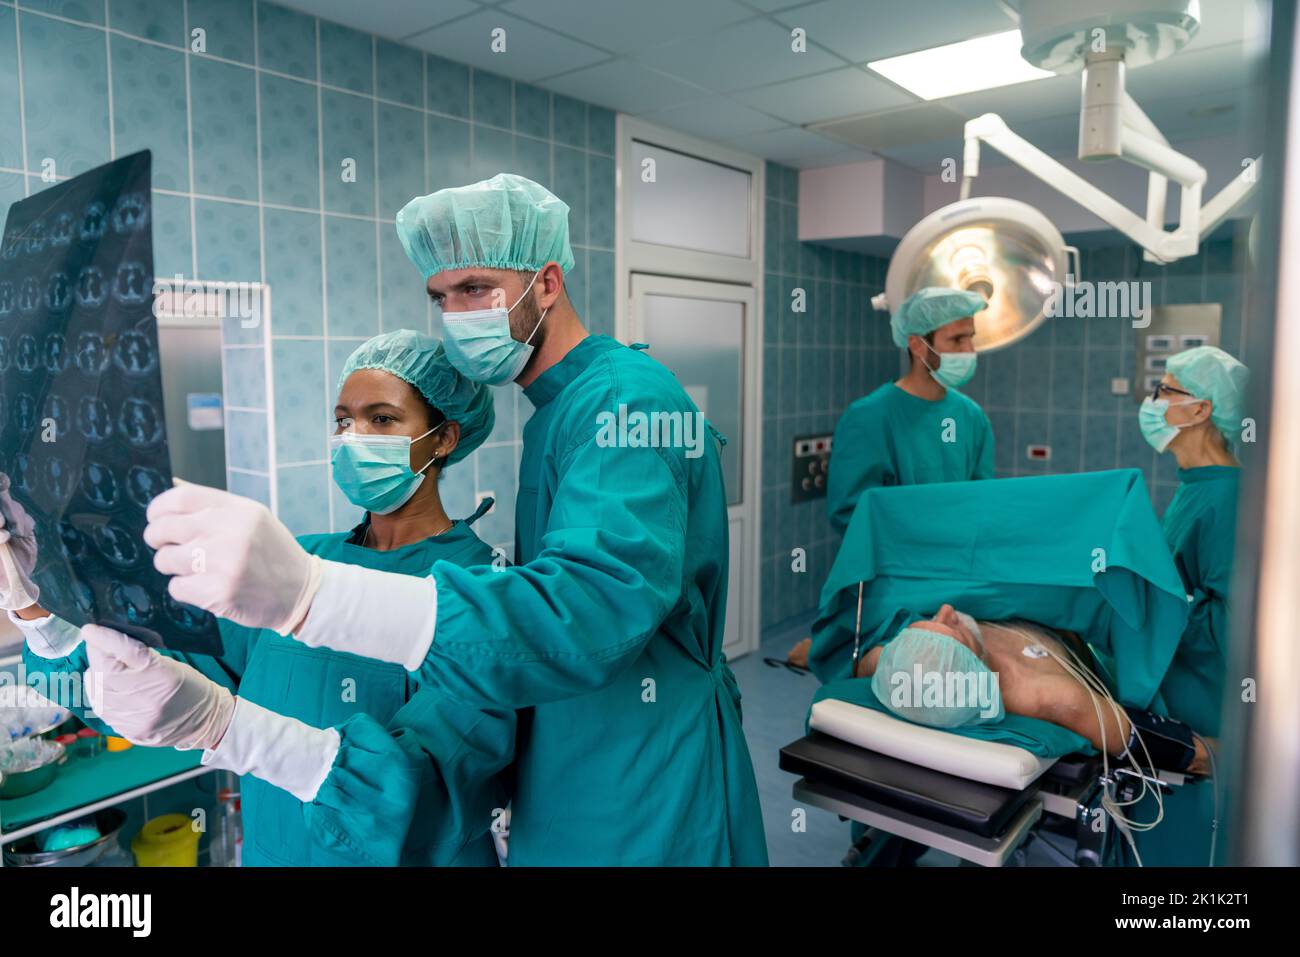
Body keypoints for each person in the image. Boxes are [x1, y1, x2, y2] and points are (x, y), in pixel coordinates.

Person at [90, 173, 767, 866]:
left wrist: (311, 597)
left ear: (548, 283)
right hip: (577, 765)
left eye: (475, 287)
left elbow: (594, 604)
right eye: (440, 296)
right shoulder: (558, 413)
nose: (455, 313)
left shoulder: (624, 398)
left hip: (645, 776)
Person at [1, 332, 515, 866]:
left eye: (381, 420)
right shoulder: (292, 570)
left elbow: (428, 795)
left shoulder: (480, 596)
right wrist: (38, 608)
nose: (353, 438)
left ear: (445, 437)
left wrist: (229, 728)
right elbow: (141, 688)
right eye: (343, 420)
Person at [789, 286, 994, 670]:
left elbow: (981, 501)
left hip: (957, 577)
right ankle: (818, 653)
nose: (969, 349)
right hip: (893, 580)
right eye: (956, 339)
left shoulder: (972, 418)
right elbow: (852, 513)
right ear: (918, 346)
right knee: (890, 670)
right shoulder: (871, 416)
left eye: (971, 338)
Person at [854, 604, 1213, 777]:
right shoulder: (1046, 695)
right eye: (953, 630)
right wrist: (1209, 756)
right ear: (980, 673)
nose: (946, 610)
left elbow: (863, 664)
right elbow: (1137, 737)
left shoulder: (885, 661)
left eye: (928, 624)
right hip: (1080, 638)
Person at [1134, 344, 1249, 865]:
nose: (1153, 400)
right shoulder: (1195, 487)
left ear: (1201, 409)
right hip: (1174, 694)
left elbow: (1233, 623)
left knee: (1187, 850)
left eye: (1166, 390)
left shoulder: (1227, 498)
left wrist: (1166, 610)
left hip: (1204, 707)